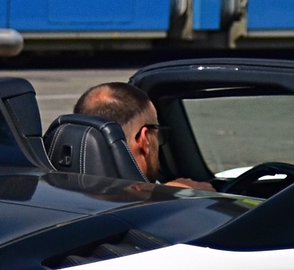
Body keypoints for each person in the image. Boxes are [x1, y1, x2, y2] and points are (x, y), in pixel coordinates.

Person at [73, 81, 211, 189]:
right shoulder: (171, 213)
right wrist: (173, 196)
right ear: (145, 141)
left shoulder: (58, 192)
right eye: (156, 131)